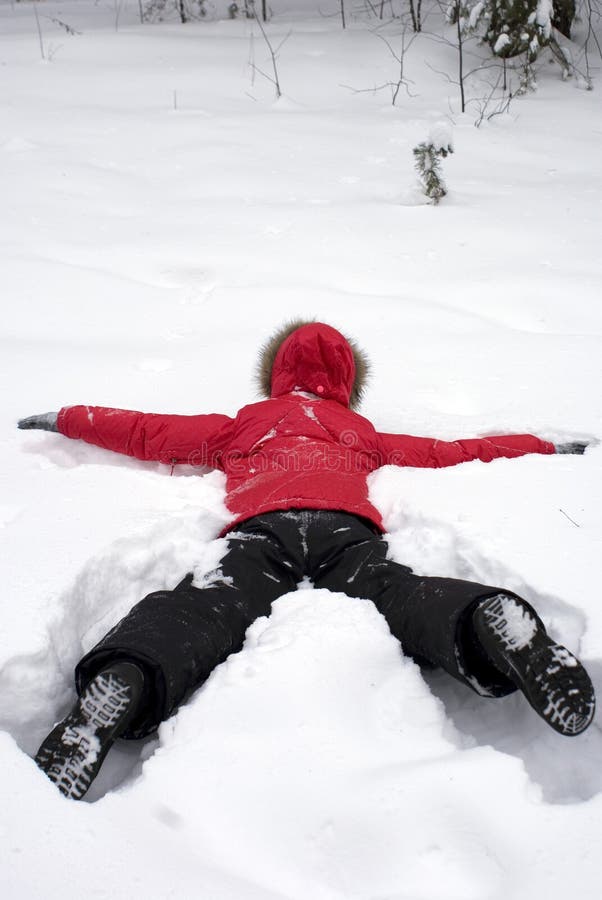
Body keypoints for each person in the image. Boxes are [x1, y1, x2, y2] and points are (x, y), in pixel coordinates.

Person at [19, 320, 595, 800]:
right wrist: (545, 444)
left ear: (276, 376)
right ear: (346, 383)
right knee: (393, 593)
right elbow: (455, 453)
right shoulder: (357, 431)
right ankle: (482, 620)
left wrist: (64, 417)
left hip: (260, 531)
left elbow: (147, 431)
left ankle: (129, 675)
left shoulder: (243, 425)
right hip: (345, 531)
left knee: (207, 605)